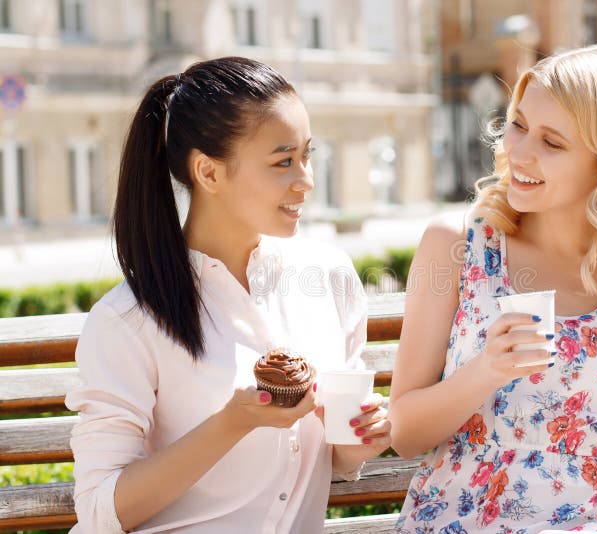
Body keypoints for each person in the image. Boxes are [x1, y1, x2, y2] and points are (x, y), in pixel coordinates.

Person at [389, 43, 597, 533]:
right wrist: (487, 370)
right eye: (519, 125)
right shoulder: (458, 245)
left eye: (551, 142)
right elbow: (404, 435)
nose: (518, 152)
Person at [65, 57, 391, 534]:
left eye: (307, 155)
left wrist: (362, 437)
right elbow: (99, 512)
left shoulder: (330, 276)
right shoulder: (127, 319)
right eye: (283, 161)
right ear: (209, 173)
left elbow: (340, 457)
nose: (306, 180)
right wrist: (232, 422)